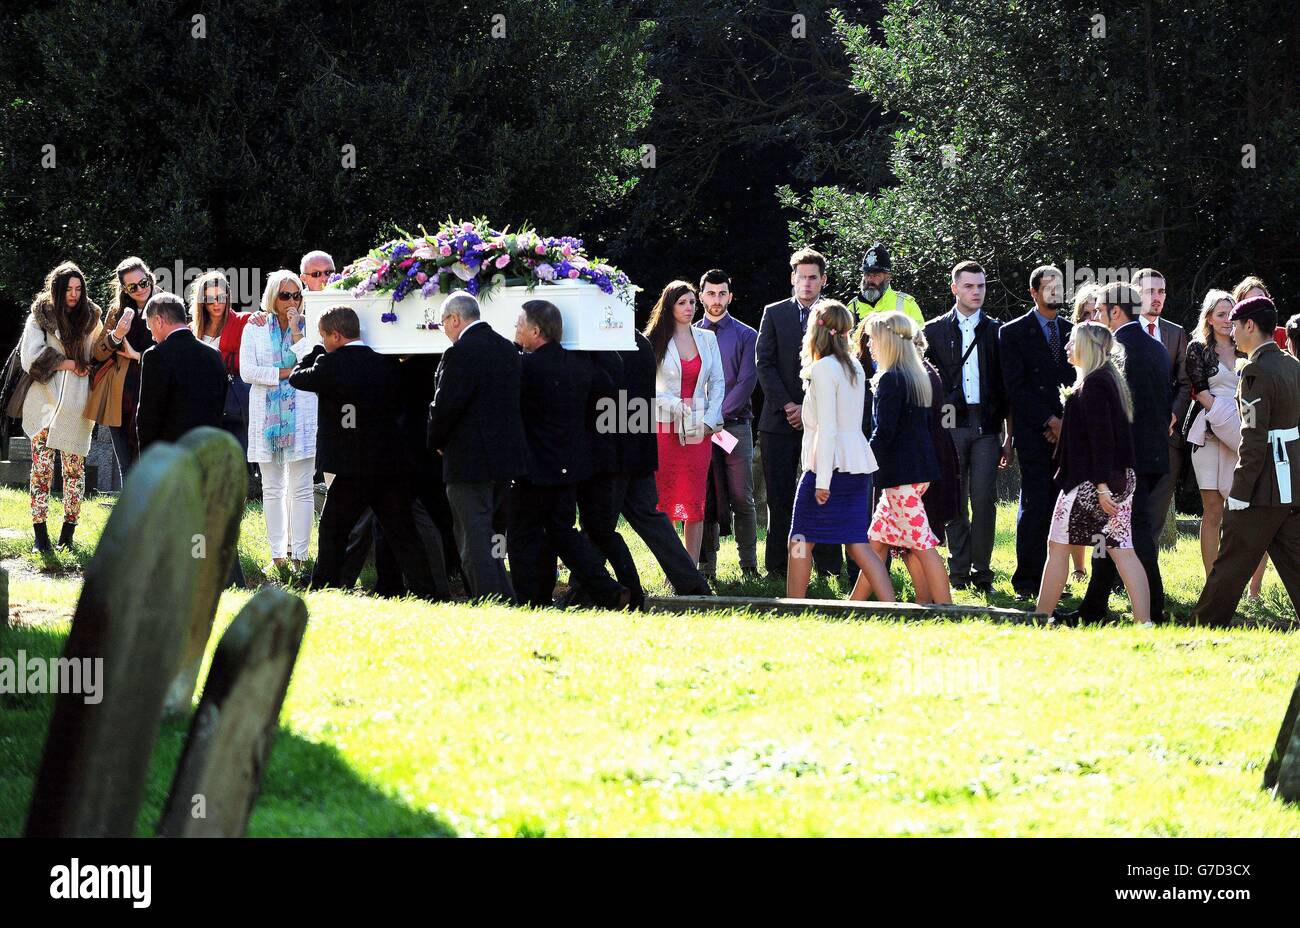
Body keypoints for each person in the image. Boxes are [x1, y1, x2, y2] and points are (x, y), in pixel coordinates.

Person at [288, 306, 440, 599]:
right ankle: (427, 591)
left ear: (335, 335)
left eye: (324, 336)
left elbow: (297, 378)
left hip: (350, 468)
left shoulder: (329, 365)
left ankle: (324, 587)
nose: (323, 341)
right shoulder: (386, 363)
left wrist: (314, 352)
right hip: (388, 464)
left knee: (333, 530)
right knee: (403, 533)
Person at [509, 300, 631, 609]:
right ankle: (609, 590)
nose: (515, 329)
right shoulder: (581, 366)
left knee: (523, 537)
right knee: (563, 534)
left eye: (519, 324)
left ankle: (530, 600)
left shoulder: (523, 367)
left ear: (536, 331)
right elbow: (607, 388)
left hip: (534, 470)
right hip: (571, 466)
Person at [1063, 282, 1171, 624]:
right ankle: (1095, 607)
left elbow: (1119, 414)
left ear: (1115, 311)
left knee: (1134, 537)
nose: (1095, 317)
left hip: (1127, 461)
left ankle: (1152, 610)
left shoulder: (1121, 348)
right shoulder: (1155, 345)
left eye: (1099, 311)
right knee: (1112, 535)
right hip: (1154, 455)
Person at [1192, 296, 1300, 626]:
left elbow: (1253, 440)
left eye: (1236, 325)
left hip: (1263, 485)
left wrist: (1239, 492)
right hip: (1290, 483)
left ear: (1250, 325)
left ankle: (1204, 623)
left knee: (1232, 559)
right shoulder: (1290, 364)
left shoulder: (1254, 371)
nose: (1232, 332)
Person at [1035, 323, 1150, 624]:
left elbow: (1102, 439)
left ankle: (1041, 617)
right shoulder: (1109, 379)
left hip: (1090, 483)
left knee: (1057, 546)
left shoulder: (1096, 384)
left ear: (1087, 346)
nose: (1066, 348)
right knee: (1122, 548)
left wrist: (1100, 486)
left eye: (1072, 342)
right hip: (1116, 480)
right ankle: (1144, 622)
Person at [784, 301, 893, 601]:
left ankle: (794, 606)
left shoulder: (822, 369)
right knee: (857, 542)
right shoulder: (855, 366)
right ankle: (892, 606)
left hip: (828, 467)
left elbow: (828, 429)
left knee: (799, 538)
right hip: (857, 464)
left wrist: (821, 482)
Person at [428, 290, 530, 602]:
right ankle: (505, 594)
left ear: (455, 319)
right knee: (495, 534)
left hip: (468, 460)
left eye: (444, 322)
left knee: (473, 538)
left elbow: (445, 406)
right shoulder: (507, 349)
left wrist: (436, 441)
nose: (444, 329)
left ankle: (491, 599)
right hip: (505, 460)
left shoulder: (460, 353)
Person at [600, 330, 712, 596]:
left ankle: (599, 588)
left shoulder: (605, 342)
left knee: (600, 524)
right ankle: (692, 583)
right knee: (650, 519)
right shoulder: (640, 341)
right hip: (639, 446)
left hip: (615, 450)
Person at [923, 260, 1010, 593]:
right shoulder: (933, 331)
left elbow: (1007, 388)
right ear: (954, 288)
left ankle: (982, 572)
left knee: (985, 499)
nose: (977, 292)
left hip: (987, 424)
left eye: (982, 286)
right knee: (954, 499)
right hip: (950, 424)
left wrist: (1008, 437)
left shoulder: (997, 330)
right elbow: (928, 386)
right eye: (970, 286)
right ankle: (958, 571)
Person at [756, 248, 844, 578]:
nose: (806, 283)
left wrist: (811, 411)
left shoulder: (835, 315)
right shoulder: (774, 313)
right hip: (779, 420)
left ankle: (829, 567)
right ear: (792, 278)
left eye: (812, 277)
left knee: (823, 492)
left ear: (823, 280)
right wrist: (789, 406)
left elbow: (841, 366)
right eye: (800, 277)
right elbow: (763, 363)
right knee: (779, 499)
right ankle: (779, 567)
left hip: (822, 423)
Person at [857, 311, 950, 604]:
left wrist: (862, 464)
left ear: (887, 342)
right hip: (915, 474)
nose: (869, 344)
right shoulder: (914, 376)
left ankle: (947, 608)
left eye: (873, 338)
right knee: (876, 545)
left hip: (901, 477)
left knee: (923, 545)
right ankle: (852, 607)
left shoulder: (890, 379)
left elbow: (883, 432)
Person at [1184, 289, 1268, 598]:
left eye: (1229, 315)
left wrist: (1243, 434)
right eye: (1220, 314)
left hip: (1243, 426)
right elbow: (1201, 391)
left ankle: (1247, 586)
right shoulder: (1198, 349)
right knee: (1213, 509)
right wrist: (1224, 421)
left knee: (1243, 509)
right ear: (1208, 317)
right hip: (1209, 431)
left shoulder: (1246, 347)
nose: (1225, 320)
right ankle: (1213, 584)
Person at [999, 265, 1075, 598]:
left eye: (1060, 287)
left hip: (1069, 436)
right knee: (1034, 505)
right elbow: (1015, 387)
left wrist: (1066, 424)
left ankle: (1056, 580)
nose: (1056, 293)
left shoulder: (1075, 330)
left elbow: (1080, 380)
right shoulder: (1013, 332)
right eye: (1049, 287)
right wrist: (1049, 421)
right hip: (1034, 434)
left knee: (1063, 508)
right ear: (1034, 292)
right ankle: (1028, 581)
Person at [19, 262, 102, 552]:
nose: (74, 295)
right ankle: (40, 536)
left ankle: (68, 535)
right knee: (41, 470)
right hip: (44, 401)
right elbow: (30, 357)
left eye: (79, 289)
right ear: (57, 288)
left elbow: (99, 353)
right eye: (68, 289)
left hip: (77, 404)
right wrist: (69, 363)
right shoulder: (40, 316)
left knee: (74, 471)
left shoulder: (91, 317)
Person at [241, 270, 317, 578]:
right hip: (267, 418)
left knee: (302, 488)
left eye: (297, 294)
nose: (291, 301)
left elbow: (310, 362)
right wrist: (285, 374)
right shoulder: (255, 327)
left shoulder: (311, 326)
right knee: (272, 488)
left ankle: (299, 555)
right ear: (272, 297)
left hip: (302, 415)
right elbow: (248, 371)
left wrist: (297, 329)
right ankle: (278, 556)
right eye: (285, 295)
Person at [645, 280, 725, 565]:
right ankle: (671, 566)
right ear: (669, 305)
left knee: (695, 500)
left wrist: (708, 423)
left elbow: (717, 384)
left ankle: (690, 568)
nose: (690, 308)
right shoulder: (653, 340)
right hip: (665, 427)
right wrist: (674, 405)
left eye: (692, 302)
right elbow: (646, 387)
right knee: (665, 498)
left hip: (698, 430)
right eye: (682, 302)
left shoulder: (707, 338)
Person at [693, 269, 759, 579]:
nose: (716, 300)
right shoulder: (689, 334)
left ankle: (749, 565)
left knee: (741, 496)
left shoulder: (748, 335)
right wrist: (702, 421)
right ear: (700, 295)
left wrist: (715, 419)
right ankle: (706, 568)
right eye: (711, 293)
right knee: (703, 495)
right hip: (698, 429)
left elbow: (747, 381)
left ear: (730, 296)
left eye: (722, 294)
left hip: (734, 427)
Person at [1134, 268, 1191, 546]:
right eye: (1149, 292)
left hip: (1167, 438)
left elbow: (1185, 383)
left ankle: (1148, 581)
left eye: (1161, 292)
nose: (1157, 298)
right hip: (1131, 439)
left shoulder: (1176, 333)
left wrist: (1174, 414)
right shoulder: (1124, 331)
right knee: (1129, 511)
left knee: (1155, 515)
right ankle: (1117, 578)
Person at [85, 257, 155, 475]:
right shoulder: (117, 312)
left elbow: (176, 350)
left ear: (150, 278)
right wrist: (116, 335)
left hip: (154, 389)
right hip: (122, 393)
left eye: (143, 283)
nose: (140, 289)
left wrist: (137, 355)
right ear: (124, 289)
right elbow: (97, 353)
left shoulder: (167, 305)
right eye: (133, 287)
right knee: (126, 462)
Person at [136, 291, 228, 450]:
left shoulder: (155, 355)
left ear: (158, 320)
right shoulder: (214, 355)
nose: (152, 336)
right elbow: (219, 407)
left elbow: (148, 417)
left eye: (150, 327)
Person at [189, 270, 253, 454]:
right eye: (210, 299)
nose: (216, 303)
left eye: (221, 297)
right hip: (203, 408)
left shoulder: (244, 321)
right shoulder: (192, 330)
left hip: (233, 405)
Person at [846, 242, 924, 327]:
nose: (870, 279)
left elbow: (920, 338)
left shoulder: (907, 304)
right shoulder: (852, 307)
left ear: (888, 277)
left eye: (875, 275)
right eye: (867, 274)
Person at [1231, 276, 1286, 350]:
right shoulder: (1235, 341)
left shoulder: (1284, 335)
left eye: (1261, 298)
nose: (1258, 304)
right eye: (1250, 302)